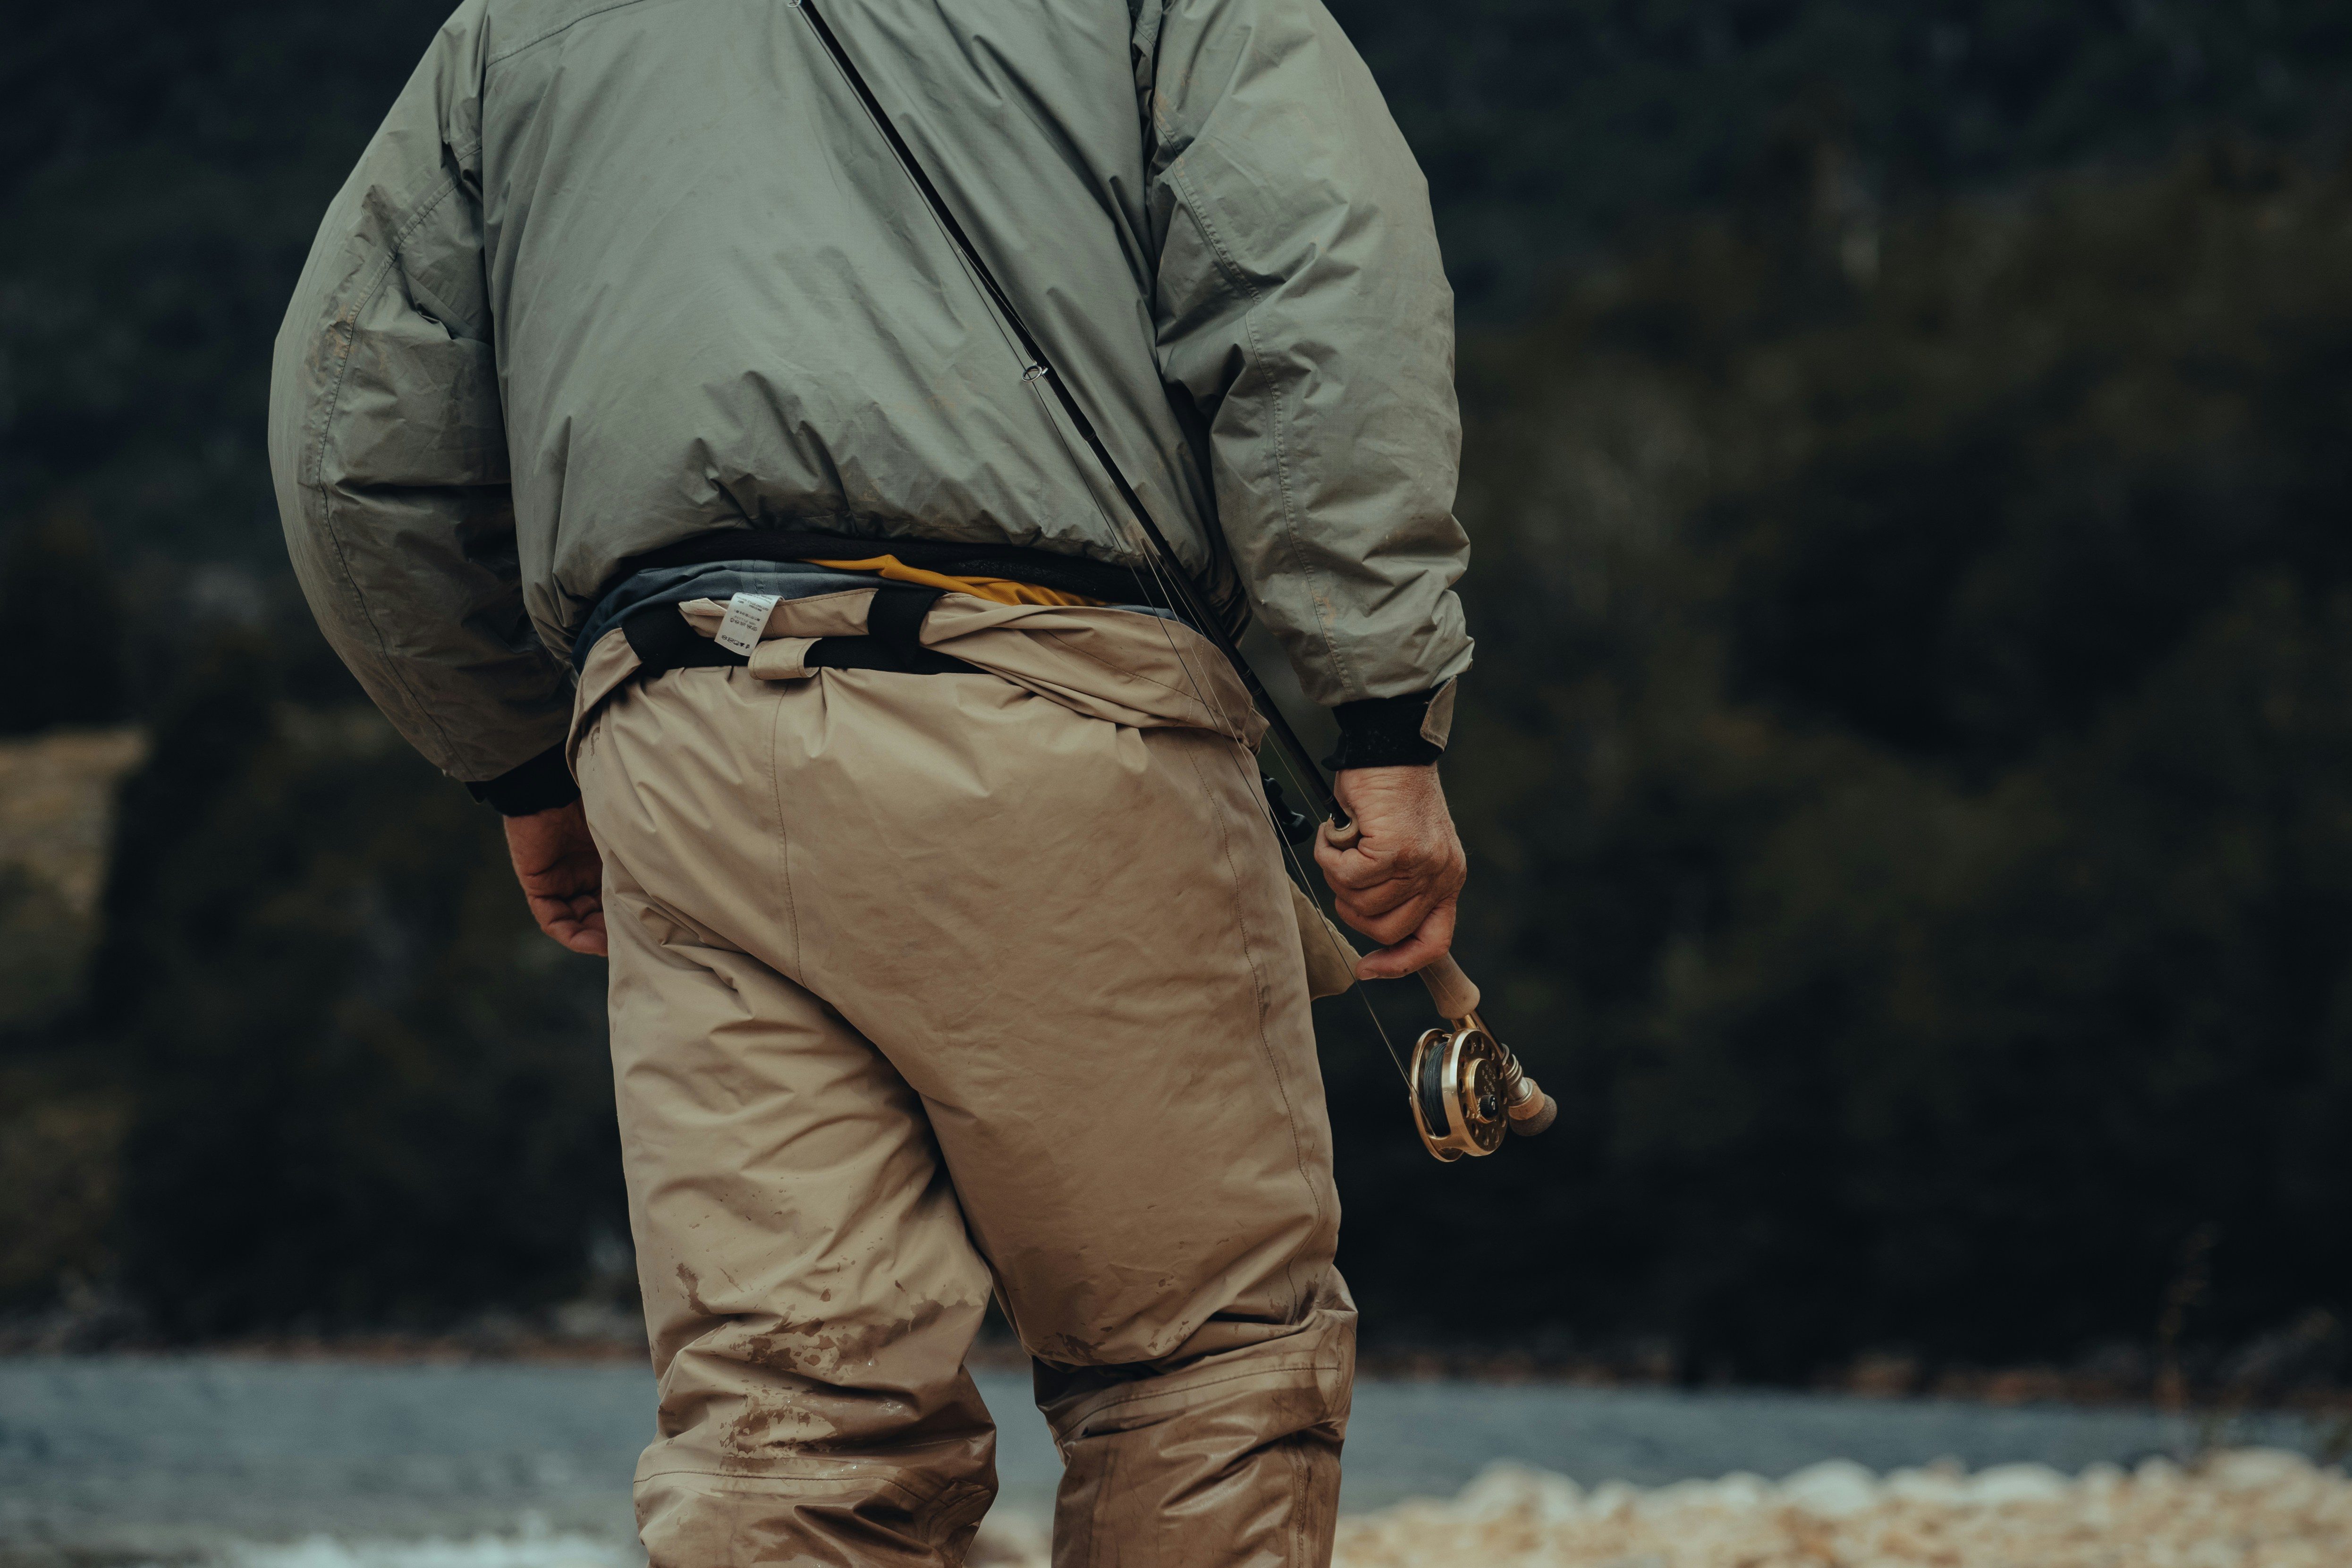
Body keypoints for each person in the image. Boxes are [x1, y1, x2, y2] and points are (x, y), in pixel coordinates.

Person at [270, 0, 1472, 1560]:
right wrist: (1382, 719)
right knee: (1196, 1369)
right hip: (1055, 707)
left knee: (793, 1432)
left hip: (678, 740)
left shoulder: (511, 26)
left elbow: (352, 429)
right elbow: (1328, 290)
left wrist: (515, 760)